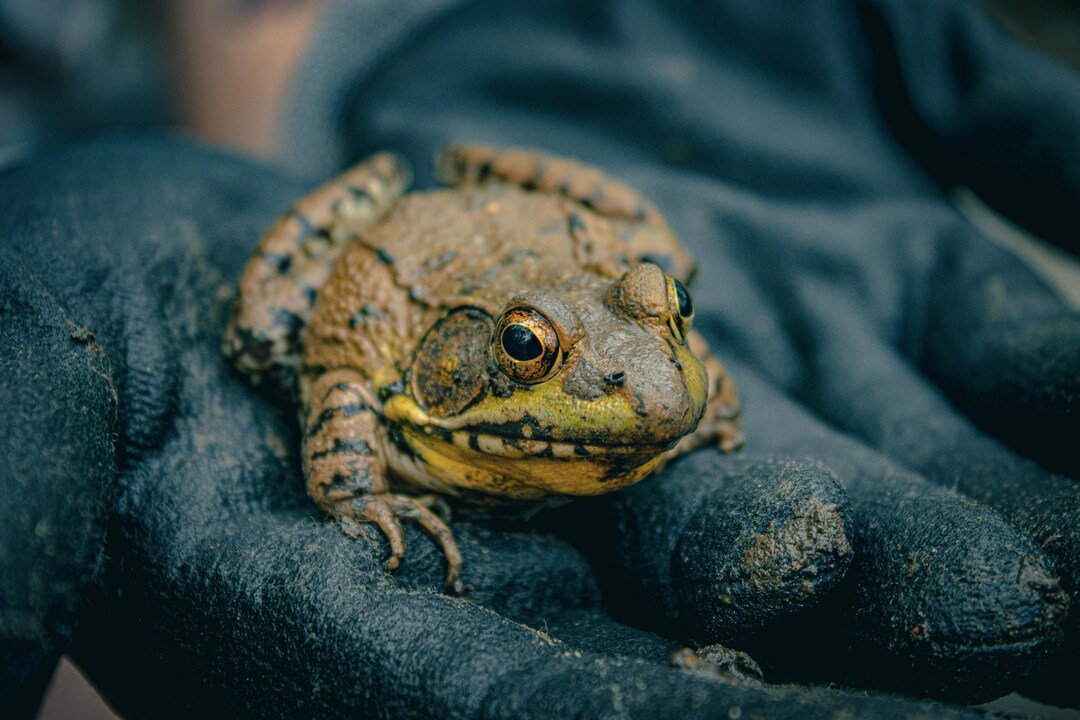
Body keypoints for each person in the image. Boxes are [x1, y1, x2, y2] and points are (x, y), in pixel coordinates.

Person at [2, 0, 1078, 716]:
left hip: (527, 221)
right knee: (262, 331)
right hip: (389, 253)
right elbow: (337, 381)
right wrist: (355, 486)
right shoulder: (404, 378)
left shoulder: (646, 340)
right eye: (530, 354)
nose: (649, 387)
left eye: (671, 318)